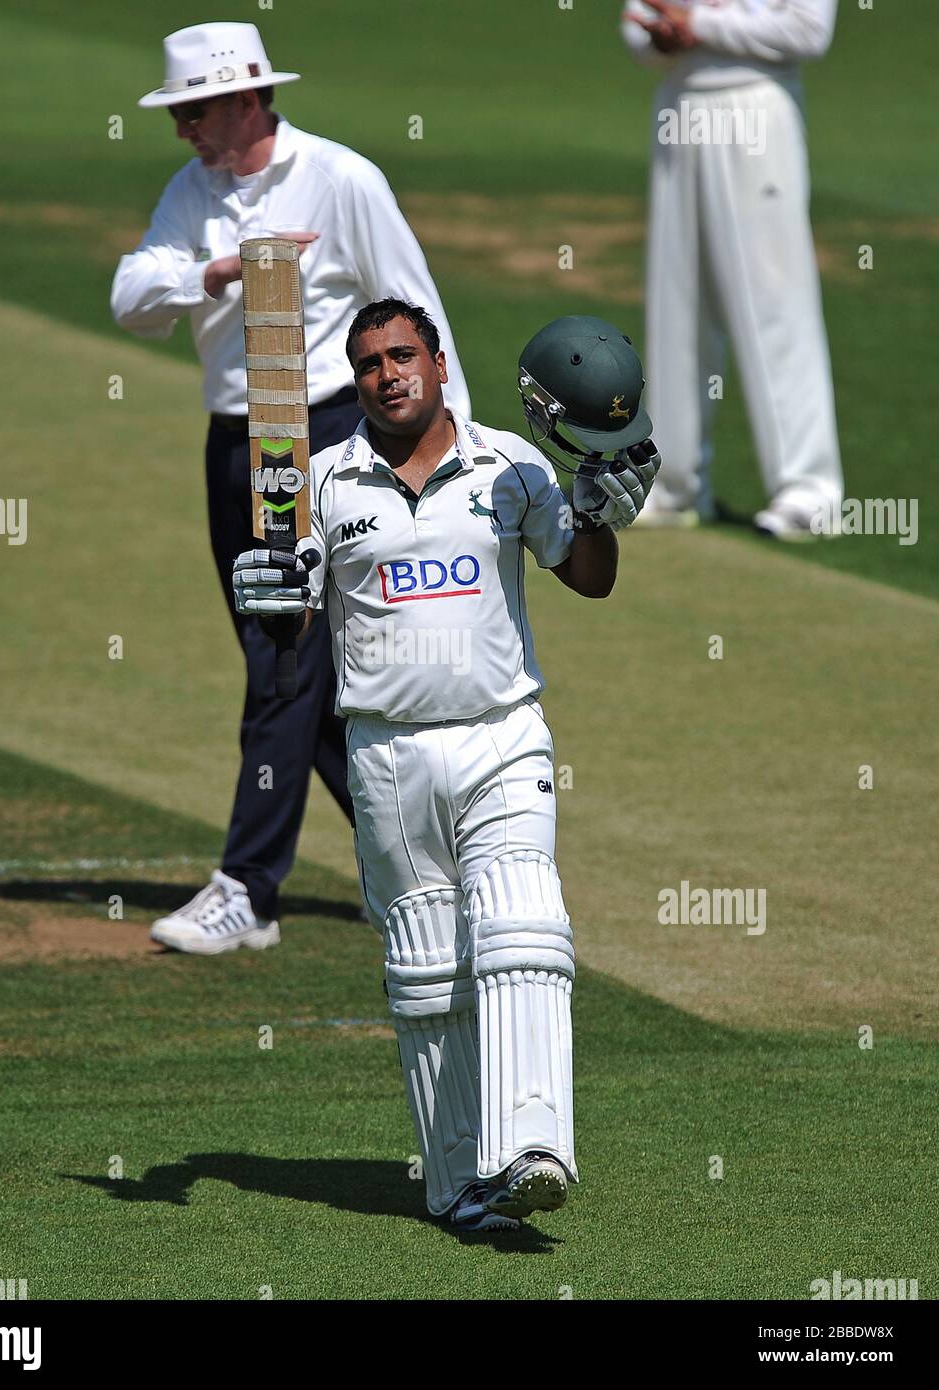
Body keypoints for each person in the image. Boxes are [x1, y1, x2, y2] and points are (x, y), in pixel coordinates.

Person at [232, 301, 661, 1230]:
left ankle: (534, 1146)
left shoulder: (512, 464)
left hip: (500, 733)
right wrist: (268, 595)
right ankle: (461, 1184)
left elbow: (587, 575)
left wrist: (597, 518)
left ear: (436, 359)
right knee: (428, 973)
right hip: (384, 752)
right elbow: (295, 626)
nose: (388, 373)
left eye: (402, 354)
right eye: (369, 363)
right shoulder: (325, 483)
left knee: (521, 925)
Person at [110, 23, 470, 953]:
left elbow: (413, 303)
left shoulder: (341, 178)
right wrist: (213, 272)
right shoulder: (191, 193)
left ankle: (247, 888)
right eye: (177, 111)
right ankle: (422, 869)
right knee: (297, 673)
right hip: (234, 443)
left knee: (286, 656)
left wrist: (455, 445)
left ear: (245, 98)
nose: (182, 128)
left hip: (323, 436)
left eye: (193, 109)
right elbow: (130, 300)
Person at [621, 0, 843, 538]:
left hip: (755, 102)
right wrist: (660, 36)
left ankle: (809, 492)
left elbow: (809, 30)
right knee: (677, 300)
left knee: (774, 297)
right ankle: (673, 483)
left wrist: (699, 25)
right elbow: (636, 25)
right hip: (680, 104)